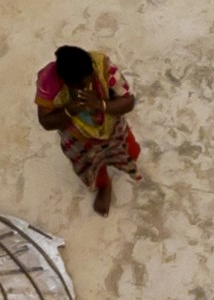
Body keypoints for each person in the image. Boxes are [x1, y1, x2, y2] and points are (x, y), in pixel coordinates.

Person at [34, 45, 142, 215]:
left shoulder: (102, 67)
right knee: (92, 167)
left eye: (89, 78)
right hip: (79, 140)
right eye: (81, 84)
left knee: (132, 152)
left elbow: (128, 102)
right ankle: (104, 187)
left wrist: (100, 104)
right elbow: (45, 122)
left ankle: (117, 165)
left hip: (112, 128)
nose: (88, 85)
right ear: (67, 83)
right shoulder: (48, 83)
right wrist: (70, 111)